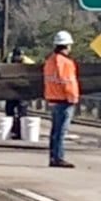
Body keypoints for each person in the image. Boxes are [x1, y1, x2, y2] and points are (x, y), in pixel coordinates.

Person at [43, 31, 79, 168]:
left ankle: (54, 157)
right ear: (67, 45)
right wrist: (73, 98)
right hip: (64, 100)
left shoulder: (50, 60)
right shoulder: (66, 63)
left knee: (55, 131)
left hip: (53, 98)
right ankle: (58, 158)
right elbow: (67, 81)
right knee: (60, 132)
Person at [4, 46, 32, 139]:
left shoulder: (27, 62)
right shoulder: (8, 60)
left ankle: (20, 132)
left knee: (22, 111)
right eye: (17, 56)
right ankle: (12, 130)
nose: (18, 58)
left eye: (20, 56)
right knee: (9, 111)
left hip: (23, 90)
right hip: (10, 89)